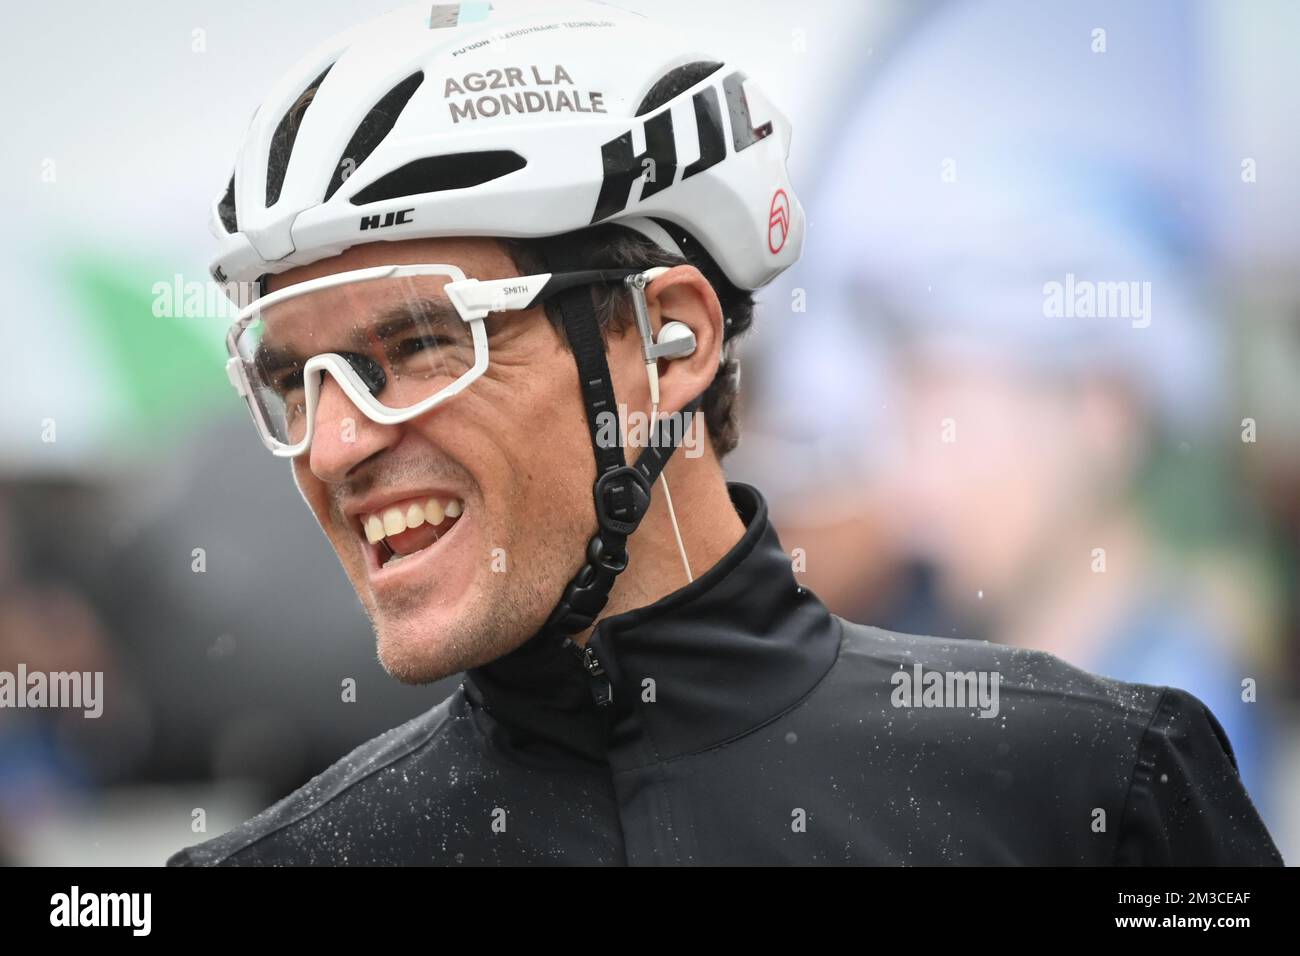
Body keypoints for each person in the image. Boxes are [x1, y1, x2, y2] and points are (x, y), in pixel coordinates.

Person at [168, 0, 1281, 865]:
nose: (333, 445)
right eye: (291, 380)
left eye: (417, 343)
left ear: (671, 337)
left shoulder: (1099, 783)